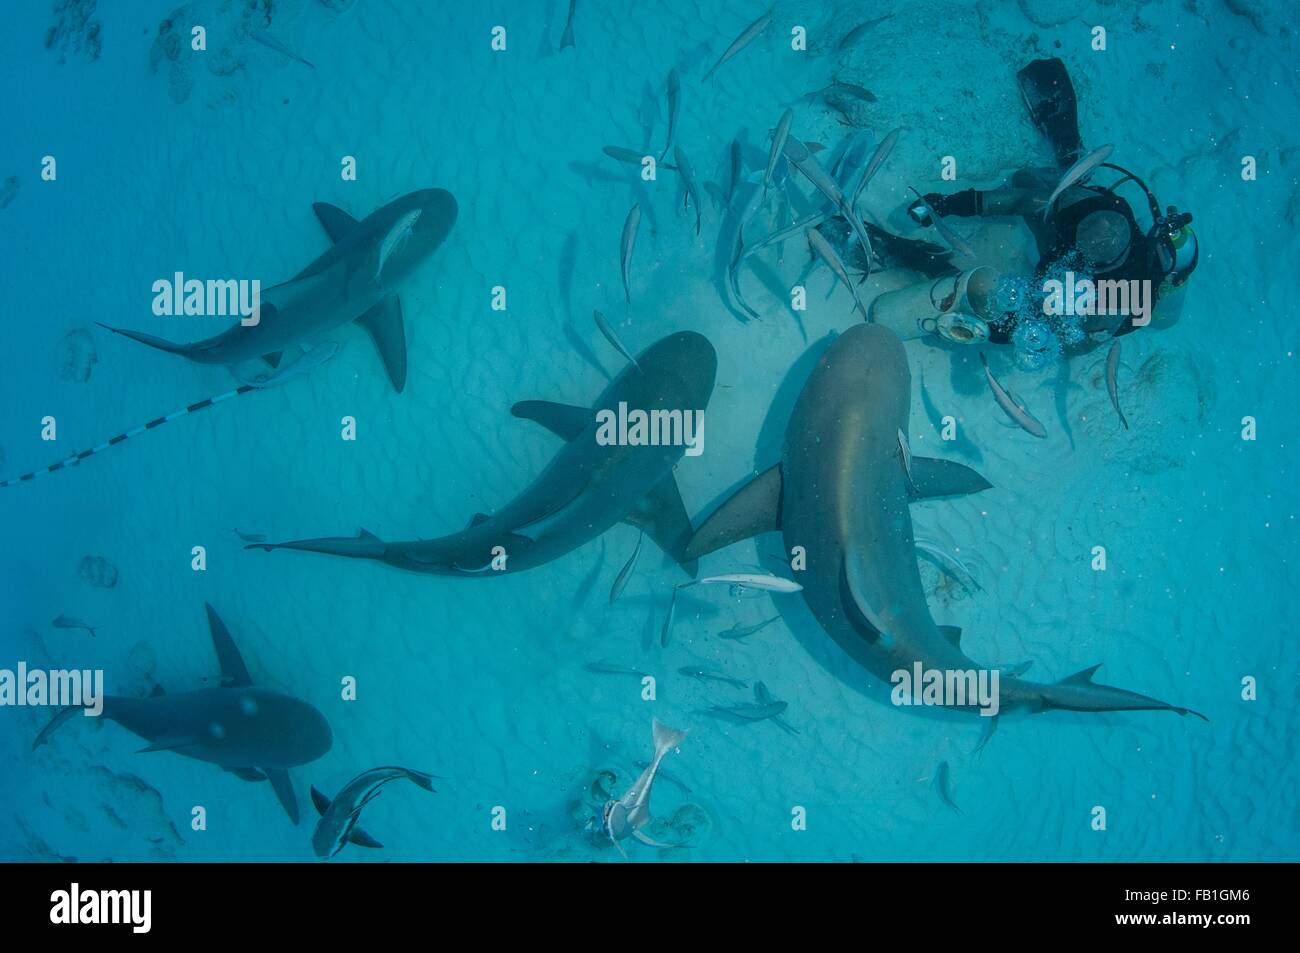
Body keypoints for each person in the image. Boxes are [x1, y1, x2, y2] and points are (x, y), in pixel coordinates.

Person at [891, 58, 1198, 359]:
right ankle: (1073, 162)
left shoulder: (1113, 303)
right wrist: (947, 204)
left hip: (1105, 308)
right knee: (1025, 181)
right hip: (1081, 224)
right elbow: (1020, 200)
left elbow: (1071, 343)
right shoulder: (1086, 208)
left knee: (1049, 314)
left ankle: (1072, 171)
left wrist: (993, 332)